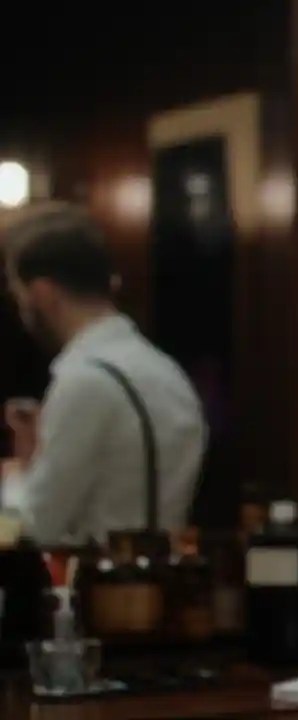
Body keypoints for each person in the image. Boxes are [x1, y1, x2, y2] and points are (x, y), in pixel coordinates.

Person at [1, 202, 207, 546]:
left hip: (101, 572)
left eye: (19, 296)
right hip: (163, 566)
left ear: (42, 294)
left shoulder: (86, 380)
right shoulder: (164, 371)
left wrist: (16, 478)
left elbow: (34, 526)